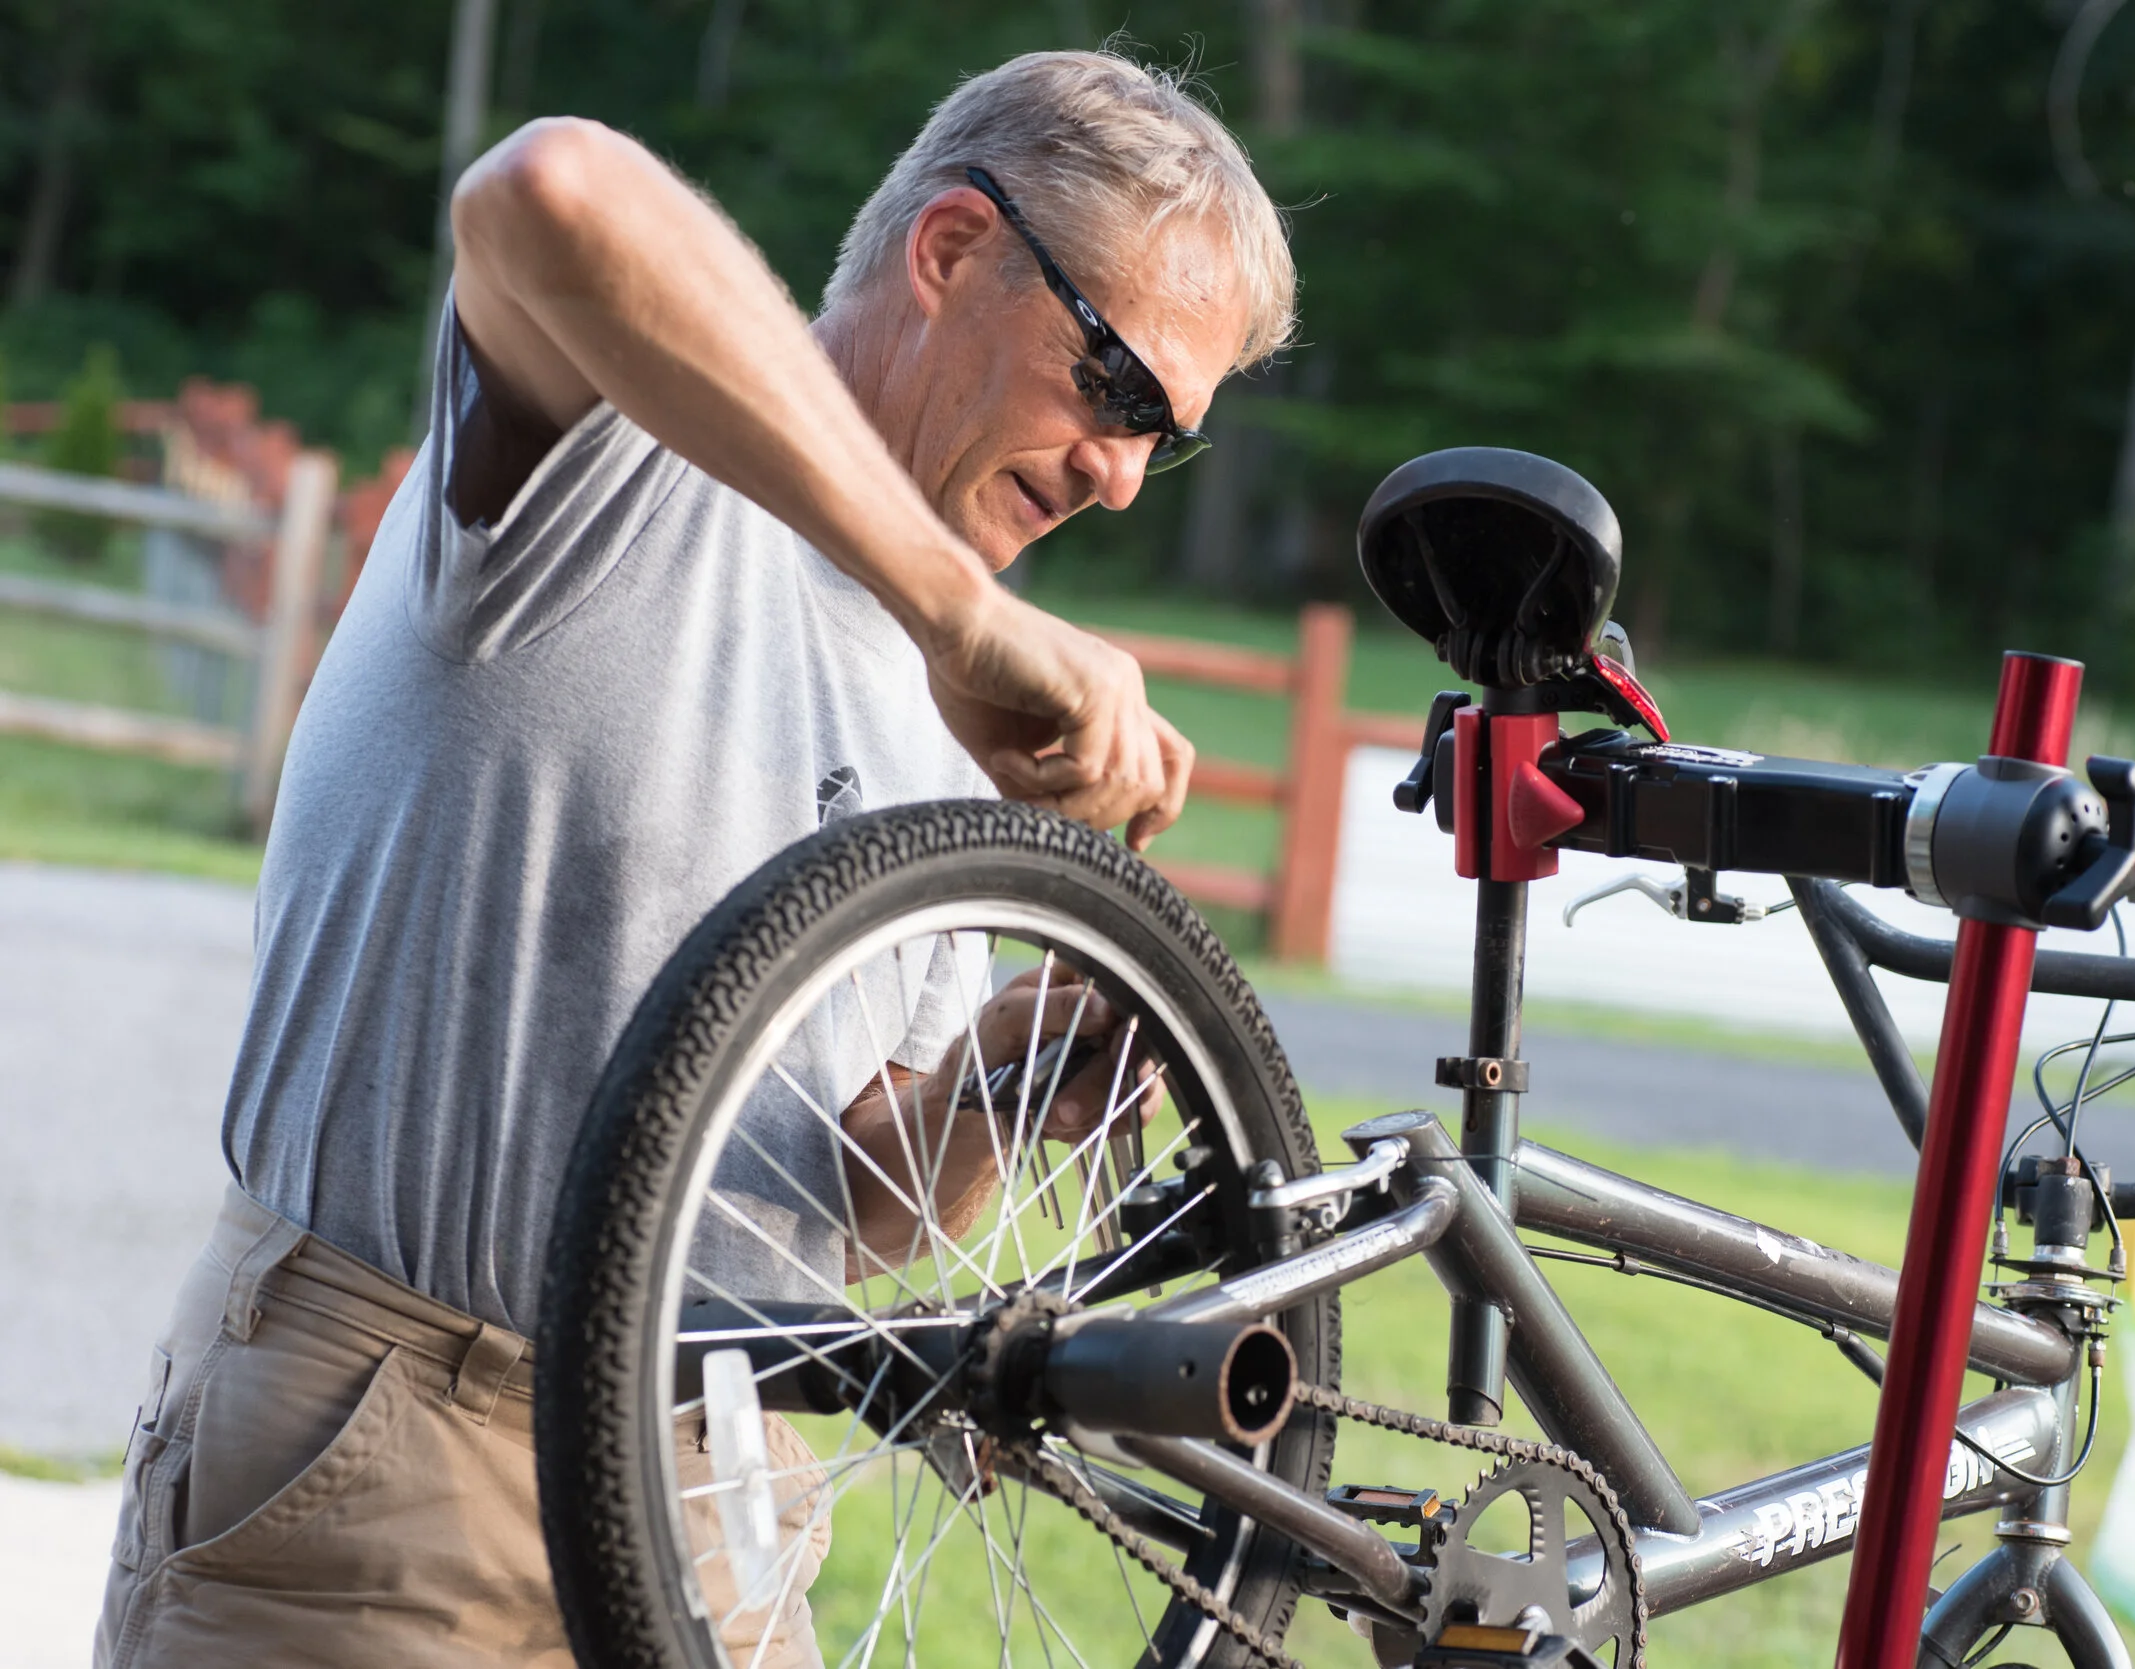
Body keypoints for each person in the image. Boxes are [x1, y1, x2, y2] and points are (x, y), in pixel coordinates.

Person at [94, 49, 1296, 1669]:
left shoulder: (977, 712)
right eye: (1119, 389)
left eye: (1173, 438)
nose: (1125, 470)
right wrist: (959, 613)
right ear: (951, 250)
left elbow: (852, 1207)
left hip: (724, 1491)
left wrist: (1017, 1081)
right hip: (396, 1459)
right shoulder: (619, 448)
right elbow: (548, 192)